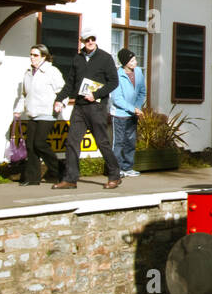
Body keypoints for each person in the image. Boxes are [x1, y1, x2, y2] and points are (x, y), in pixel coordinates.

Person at [52, 33, 122, 189]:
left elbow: (114, 82)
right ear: (82, 41)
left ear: (95, 40)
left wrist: (96, 94)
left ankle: (115, 176)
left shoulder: (105, 58)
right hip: (79, 106)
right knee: (71, 142)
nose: (90, 42)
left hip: (96, 107)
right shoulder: (77, 58)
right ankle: (70, 179)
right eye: (87, 40)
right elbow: (70, 83)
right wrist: (59, 98)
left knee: (102, 142)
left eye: (93, 39)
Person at [13, 44, 64, 185]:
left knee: (39, 143)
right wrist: (18, 110)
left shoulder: (52, 71)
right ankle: (32, 178)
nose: (32, 57)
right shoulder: (28, 73)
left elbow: (63, 90)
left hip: (47, 112)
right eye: (31, 54)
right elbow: (24, 94)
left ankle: (61, 171)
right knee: (30, 146)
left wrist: (61, 103)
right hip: (32, 113)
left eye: (35, 55)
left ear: (44, 57)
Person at [109, 48, 147, 177]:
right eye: (132, 60)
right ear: (125, 62)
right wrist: (132, 108)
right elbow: (116, 98)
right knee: (118, 142)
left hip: (132, 114)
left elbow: (142, 92)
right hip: (119, 114)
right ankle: (116, 169)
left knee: (130, 141)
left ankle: (127, 167)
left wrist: (137, 107)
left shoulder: (139, 73)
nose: (135, 62)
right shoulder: (117, 75)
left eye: (135, 59)